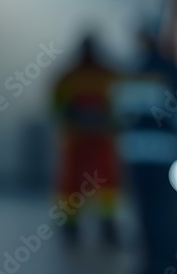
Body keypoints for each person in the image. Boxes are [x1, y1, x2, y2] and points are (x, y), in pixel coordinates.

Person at [51, 33, 121, 246]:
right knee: (74, 182)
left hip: (95, 138)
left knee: (104, 180)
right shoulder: (72, 77)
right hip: (79, 139)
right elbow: (56, 107)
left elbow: (120, 105)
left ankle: (106, 223)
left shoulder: (102, 75)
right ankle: (73, 224)